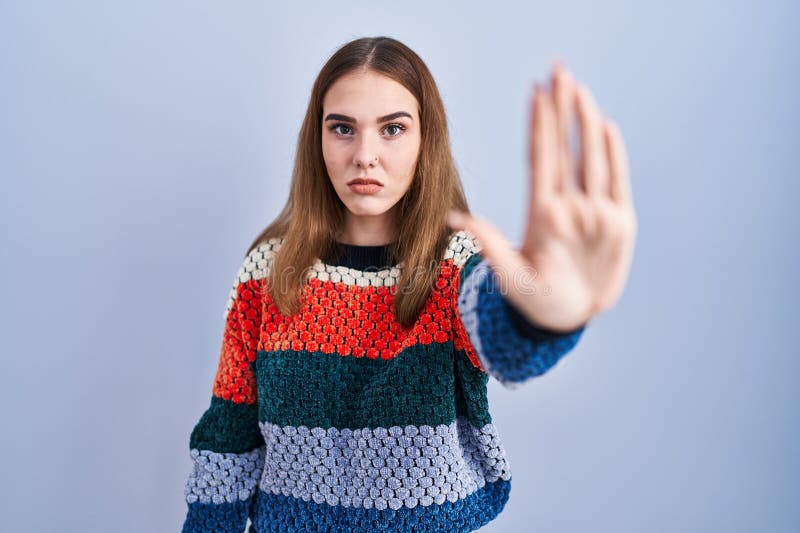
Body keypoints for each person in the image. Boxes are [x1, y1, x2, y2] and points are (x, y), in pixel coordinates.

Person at [180, 35, 637, 533]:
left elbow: (505, 345)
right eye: (342, 129)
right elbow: (228, 438)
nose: (365, 155)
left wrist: (547, 316)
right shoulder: (267, 271)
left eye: (393, 128)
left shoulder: (456, 266)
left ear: (426, 140)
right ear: (318, 139)